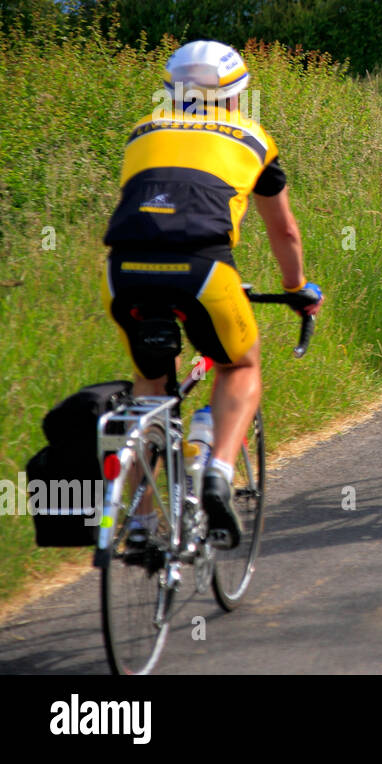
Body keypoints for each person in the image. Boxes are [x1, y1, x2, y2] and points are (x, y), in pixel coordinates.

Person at [102, 40, 322, 548]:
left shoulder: (142, 131)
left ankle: (138, 522)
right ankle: (218, 472)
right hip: (203, 269)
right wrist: (296, 289)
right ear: (237, 95)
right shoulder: (254, 138)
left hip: (123, 269)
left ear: (169, 91)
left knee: (149, 388)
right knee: (239, 364)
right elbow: (284, 231)